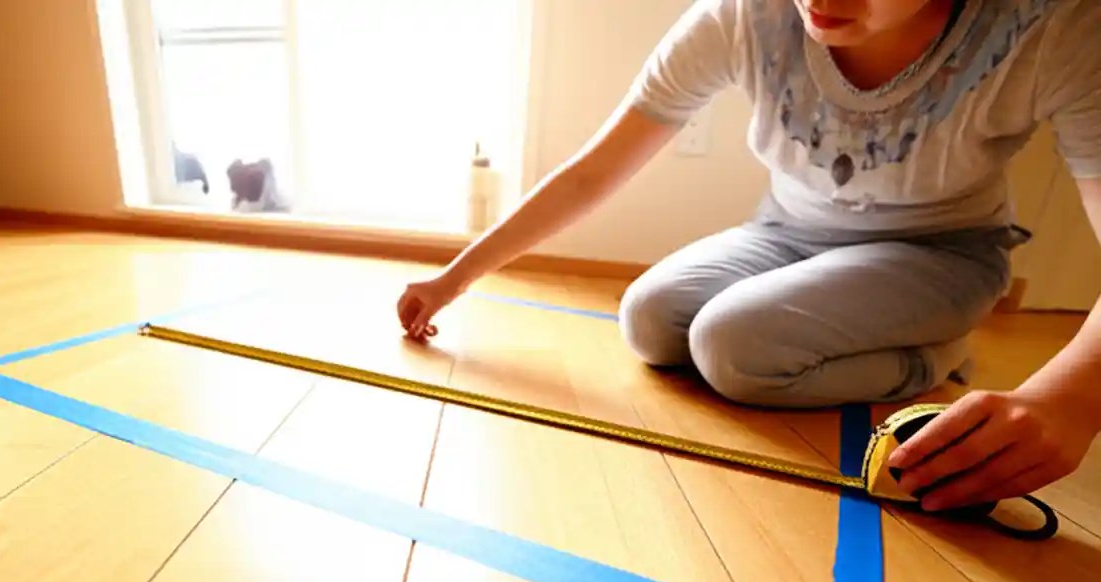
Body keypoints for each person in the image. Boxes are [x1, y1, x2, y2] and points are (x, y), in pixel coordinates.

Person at [394, 0, 1101, 512]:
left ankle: (937, 353)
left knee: (734, 347)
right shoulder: (739, 17)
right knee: (648, 318)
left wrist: (1069, 397)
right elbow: (593, 172)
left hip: (936, 254)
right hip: (787, 231)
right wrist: (455, 277)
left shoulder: (1051, 27)